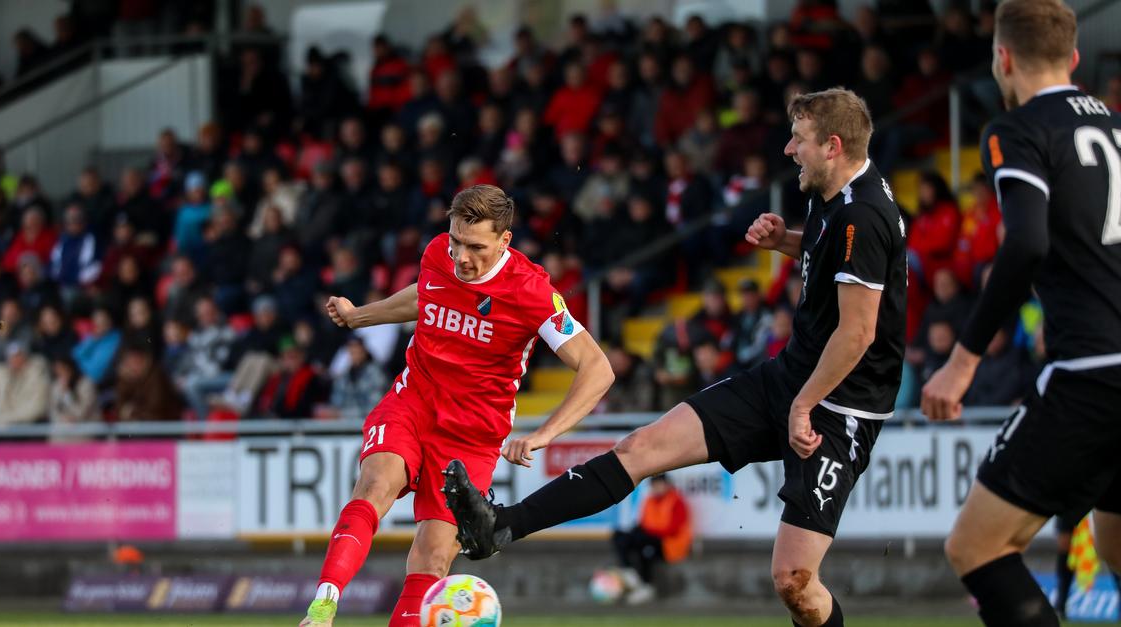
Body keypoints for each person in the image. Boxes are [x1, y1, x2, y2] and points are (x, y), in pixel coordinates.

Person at [446, 88, 906, 627]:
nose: (787, 149)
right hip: (791, 378)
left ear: (832, 145)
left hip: (839, 406)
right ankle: (497, 527)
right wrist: (788, 242)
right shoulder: (834, 194)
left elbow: (857, 334)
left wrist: (804, 407)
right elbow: (831, 253)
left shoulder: (866, 215)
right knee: (641, 447)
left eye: (797, 140)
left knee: (794, 584)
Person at [300, 185, 614, 627]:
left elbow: (597, 368)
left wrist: (546, 433)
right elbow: (424, 294)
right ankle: (323, 606)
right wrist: (360, 316)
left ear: (505, 241)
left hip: (473, 435)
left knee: (431, 557)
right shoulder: (437, 255)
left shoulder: (531, 292)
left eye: (476, 247)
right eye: (455, 242)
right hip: (413, 402)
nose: (462, 258)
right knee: (375, 484)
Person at [919, 2, 1121, 625]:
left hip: (1091, 370)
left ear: (1002, 59)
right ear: (1075, 58)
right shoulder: (1115, 128)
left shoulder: (1019, 129)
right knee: (1115, 545)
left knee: (976, 547)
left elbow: (1027, 242)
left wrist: (963, 359)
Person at [611, 473, 692, 605]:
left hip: (669, 545)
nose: (656, 488)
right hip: (650, 538)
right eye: (653, 485)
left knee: (646, 550)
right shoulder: (649, 500)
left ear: (667, 485)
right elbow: (644, 523)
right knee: (620, 537)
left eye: (659, 485)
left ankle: (646, 587)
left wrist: (647, 531)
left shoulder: (677, 501)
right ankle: (629, 572)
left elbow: (672, 530)